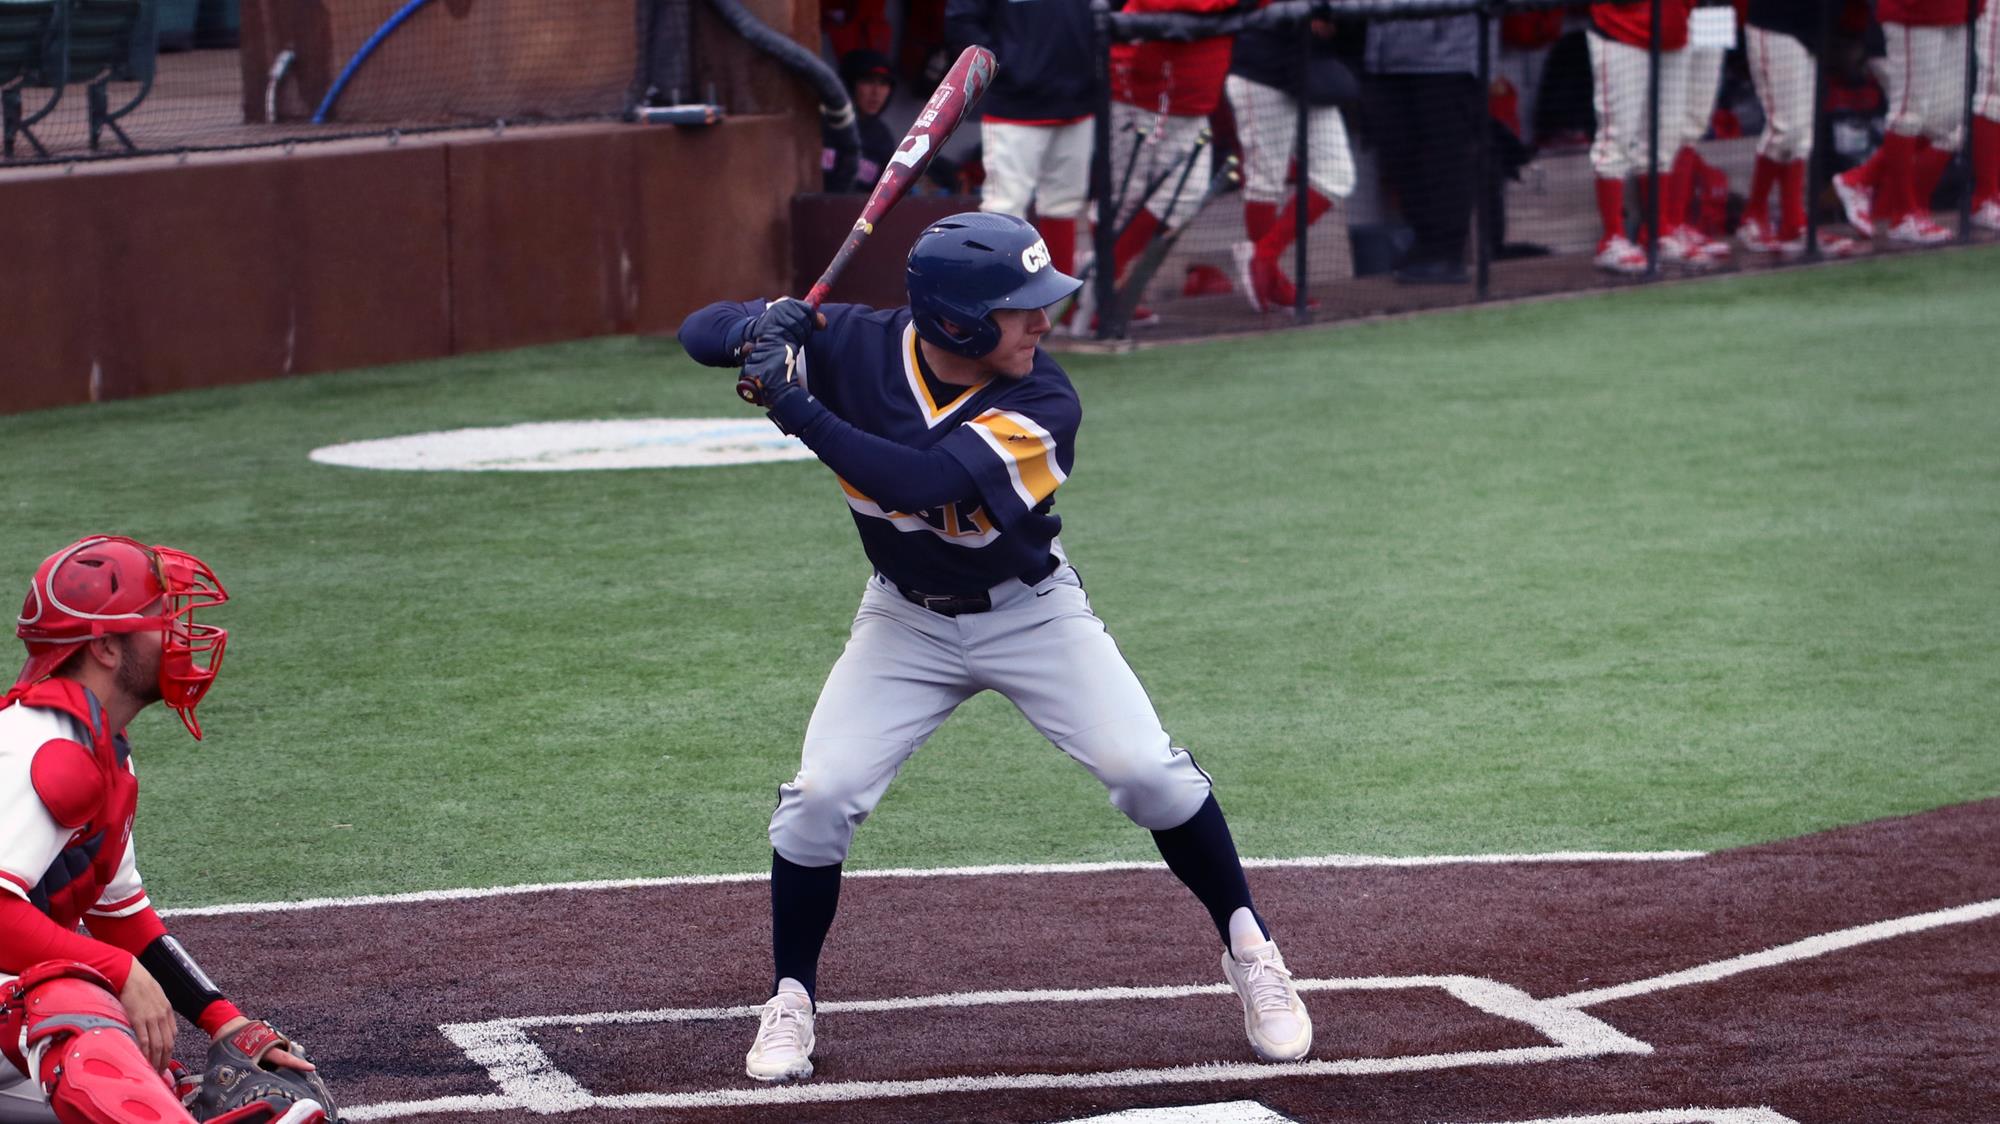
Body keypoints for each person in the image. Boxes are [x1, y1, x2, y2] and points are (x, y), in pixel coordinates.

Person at [676, 211, 1315, 1083]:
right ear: (956, 321)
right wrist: (766, 325)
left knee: (1148, 775)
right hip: (905, 622)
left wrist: (792, 403)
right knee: (819, 798)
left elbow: (920, 486)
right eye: (1022, 308)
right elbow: (697, 330)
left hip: (1032, 616)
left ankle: (1252, 951)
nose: (1045, 323)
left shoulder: (1045, 400)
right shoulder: (857, 343)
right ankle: (791, 996)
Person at [0, 537, 332, 1124]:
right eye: (161, 620)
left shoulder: (100, 749)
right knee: (74, 992)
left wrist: (221, 1018)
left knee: (135, 1065)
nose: (180, 635)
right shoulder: (36, 745)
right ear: (104, 647)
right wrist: (118, 971)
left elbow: (122, 915)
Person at [1102, 0, 1245, 325]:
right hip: (1140, 95)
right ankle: (1099, 294)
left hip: (1191, 103)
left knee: (1184, 198)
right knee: (1124, 201)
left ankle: (1104, 284)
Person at [946, 0, 1100, 288]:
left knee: (1064, 205)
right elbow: (961, 20)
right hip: (1014, 106)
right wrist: (1006, 63)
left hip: (1077, 101)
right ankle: (1001, 300)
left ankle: (1059, 303)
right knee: (1004, 209)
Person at [1226, 16, 1359, 310]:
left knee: (1337, 175)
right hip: (1261, 70)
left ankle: (1263, 256)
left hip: (1311, 68)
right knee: (1266, 180)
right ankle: (1272, 281)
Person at [1830, 0, 1977, 244]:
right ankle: (1902, 215)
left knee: (1945, 120)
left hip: (1958, 10)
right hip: (1913, 12)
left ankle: (1860, 180)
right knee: (1909, 113)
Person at [1586, 0, 1716, 272]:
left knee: (1667, 136)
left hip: (1680, 27)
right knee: (1616, 136)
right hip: (1621, 27)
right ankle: (1612, 239)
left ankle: (1661, 231)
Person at [1362, 14, 1488, 283]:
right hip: (1385, 60)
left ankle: (1446, 252)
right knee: (1400, 154)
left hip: (1448, 61)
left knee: (1445, 159)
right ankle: (1424, 245)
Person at [1737, 0, 1862, 254]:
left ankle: (1794, 225)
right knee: (1784, 129)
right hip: (1775, 26)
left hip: (1812, 31)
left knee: (1802, 134)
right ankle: (1753, 215)